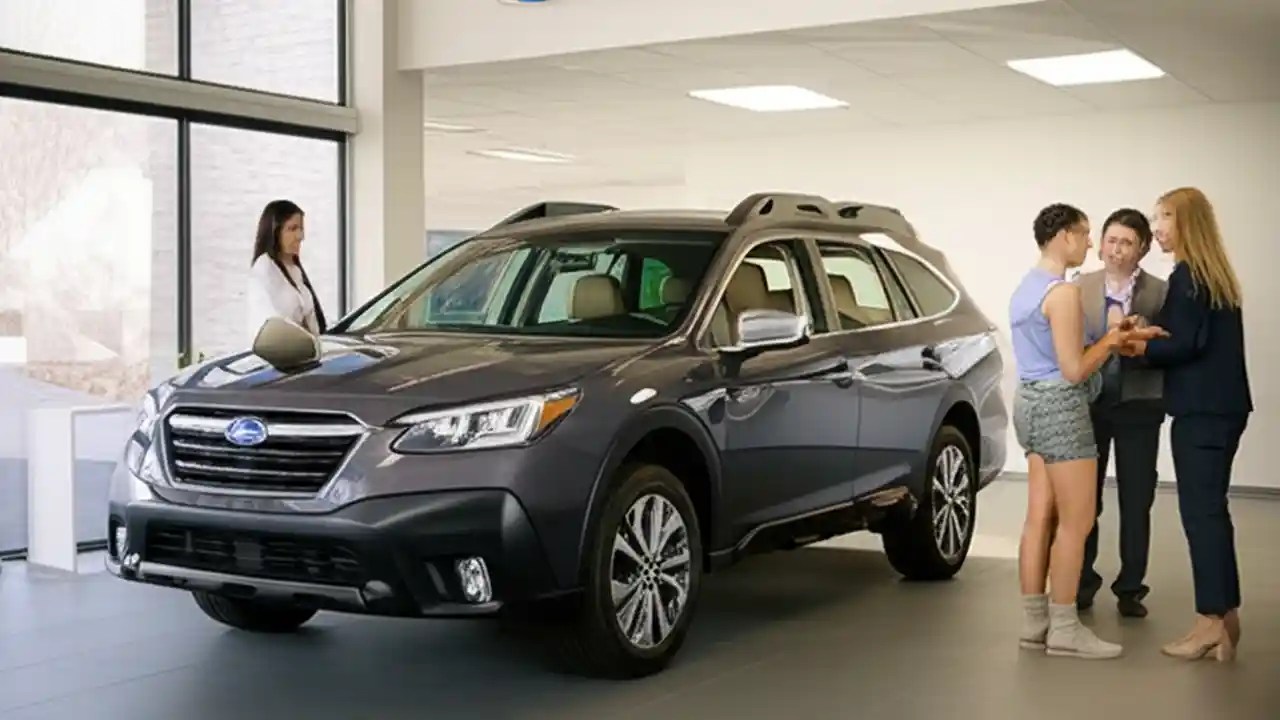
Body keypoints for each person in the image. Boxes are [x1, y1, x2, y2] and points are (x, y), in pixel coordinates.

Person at [1010, 203, 1165, 660]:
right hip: (1061, 408)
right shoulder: (1064, 293)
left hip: (1030, 403)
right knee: (1078, 521)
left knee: (1040, 516)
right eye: (1084, 234)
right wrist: (1113, 341)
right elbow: (1075, 369)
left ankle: (1034, 622)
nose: (1091, 244)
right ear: (1062, 237)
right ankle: (1065, 628)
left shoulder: (1027, 285)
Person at [1117, 187, 1251, 661]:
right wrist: (1153, 335)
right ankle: (1225, 619)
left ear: (1188, 221)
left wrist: (1135, 346)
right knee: (1213, 512)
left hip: (1202, 413)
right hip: (1223, 409)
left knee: (1202, 516)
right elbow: (1191, 336)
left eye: (1164, 217)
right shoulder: (1212, 275)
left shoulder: (1189, 275)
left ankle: (1209, 622)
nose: (1156, 227)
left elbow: (1183, 345)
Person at [1074, 209, 1167, 617]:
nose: (1117, 249)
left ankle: (1131, 587)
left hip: (1140, 405)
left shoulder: (1161, 293)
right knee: (1084, 499)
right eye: (1111, 240)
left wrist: (1137, 336)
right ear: (1100, 244)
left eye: (1127, 242)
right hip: (1090, 405)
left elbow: (1167, 350)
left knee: (1136, 498)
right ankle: (1082, 581)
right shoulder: (1079, 287)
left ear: (1142, 249)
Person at [246, 199, 328, 343]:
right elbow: (266, 326)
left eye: (301, 229)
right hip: (285, 356)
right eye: (292, 228)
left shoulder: (295, 269)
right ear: (275, 232)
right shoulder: (265, 268)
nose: (300, 236)